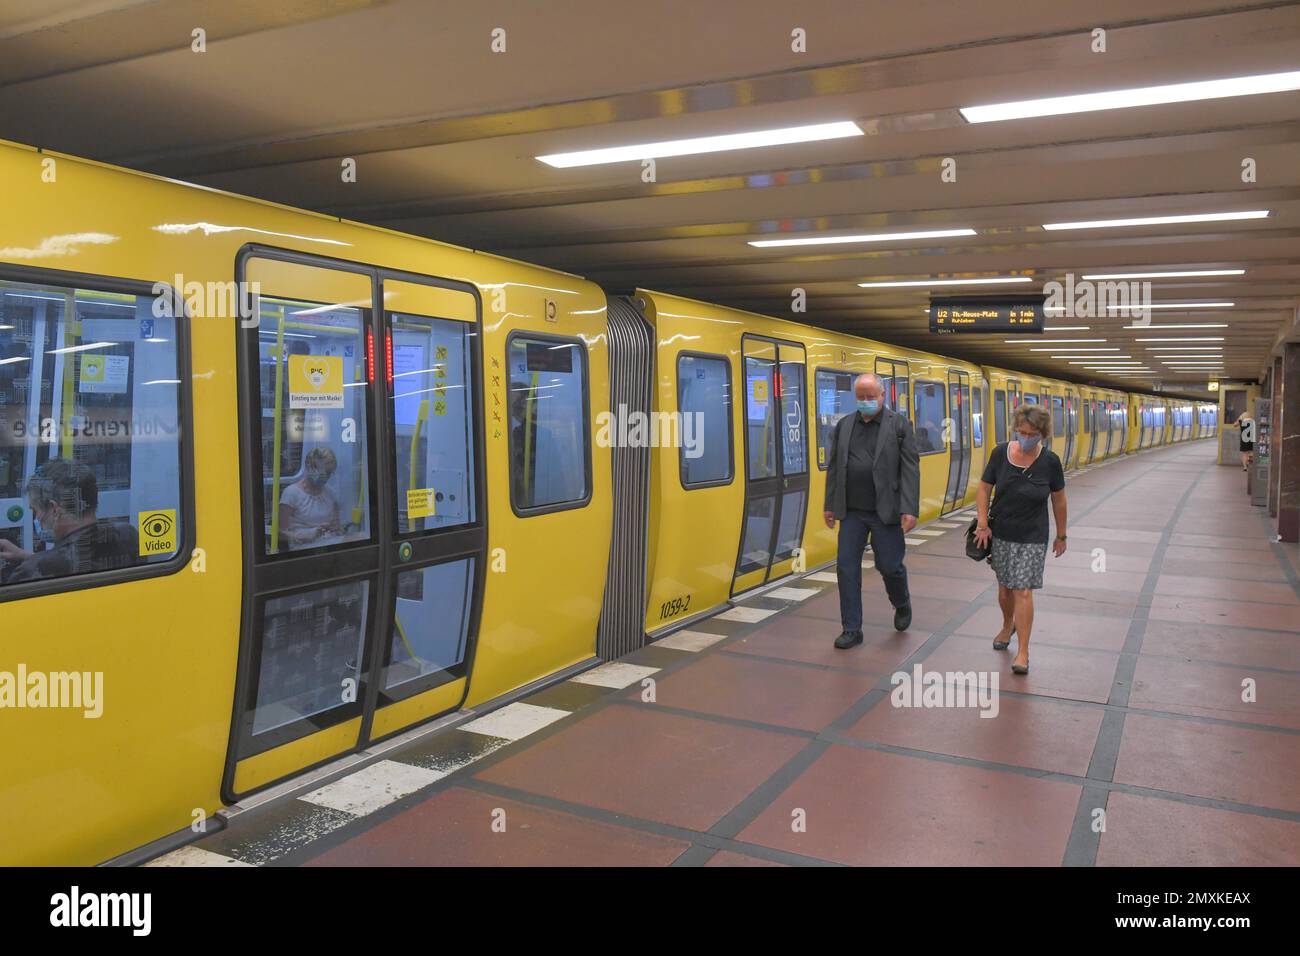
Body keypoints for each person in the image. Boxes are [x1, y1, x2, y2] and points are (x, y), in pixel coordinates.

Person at [823, 373, 920, 648]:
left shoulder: (899, 425)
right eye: (860, 397)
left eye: (870, 396)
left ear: (882, 396)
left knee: (889, 566)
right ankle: (852, 629)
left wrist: (909, 508)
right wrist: (830, 504)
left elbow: (911, 469)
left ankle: (901, 602)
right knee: (846, 568)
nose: (865, 401)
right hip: (852, 511)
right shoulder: (844, 426)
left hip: (885, 511)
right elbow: (834, 467)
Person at [972, 404, 1067, 675]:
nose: (1025, 437)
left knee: (1023, 590)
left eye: (1032, 433)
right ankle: (1007, 624)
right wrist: (981, 522)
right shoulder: (1000, 453)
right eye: (1021, 432)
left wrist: (1062, 535)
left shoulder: (1050, 462)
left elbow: (1059, 499)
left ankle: (1023, 652)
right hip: (1002, 531)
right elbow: (984, 488)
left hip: (1033, 535)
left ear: (1042, 434)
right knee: (1005, 591)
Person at [0, 459, 138, 584]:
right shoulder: (128, 535)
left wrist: (33, 562)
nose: (36, 519)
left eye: (35, 510)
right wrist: (27, 557)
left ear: (54, 510)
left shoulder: (32, 569)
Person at [278, 447, 343, 549]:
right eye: (323, 472)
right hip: (304, 546)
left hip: (329, 541)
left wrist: (333, 528)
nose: (326, 477)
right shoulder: (291, 493)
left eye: (329, 473)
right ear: (309, 468)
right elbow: (279, 533)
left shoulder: (331, 493)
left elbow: (337, 528)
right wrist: (301, 536)